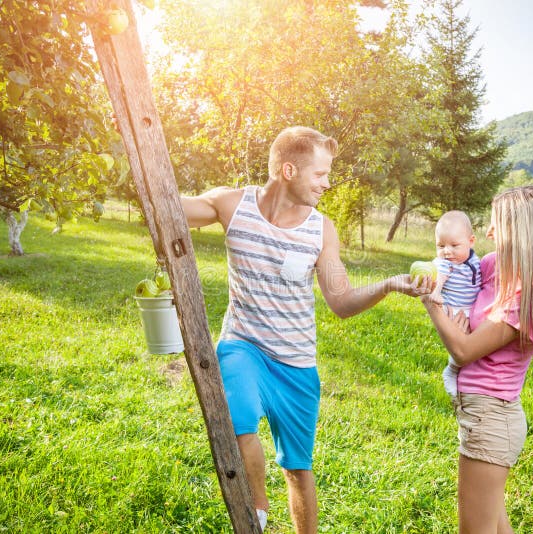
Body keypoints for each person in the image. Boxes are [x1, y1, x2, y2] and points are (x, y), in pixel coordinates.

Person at [180, 126, 424, 533]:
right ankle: (257, 506)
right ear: (289, 170)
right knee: (238, 424)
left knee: (298, 469)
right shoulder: (232, 205)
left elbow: (340, 301)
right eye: (320, 174)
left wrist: (389, 284)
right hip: (244, 345)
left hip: (296, 364)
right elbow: (168, 205)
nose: (327, 184)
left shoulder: (320, 230)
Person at [419, 186, 533, 533]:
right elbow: (455, 275)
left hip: (491, 418)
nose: (487, 233)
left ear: (521, 231)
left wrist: (431, 302)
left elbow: (464, 350)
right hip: (478, 412)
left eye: (497, 224)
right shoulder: (493, 266)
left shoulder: (526, 297)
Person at [426, 210, 481, 398]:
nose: (447, 251)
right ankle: (452, 370)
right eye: (440, 245)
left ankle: (464, 371)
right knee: (462, 340)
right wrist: (436, 293)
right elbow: (439, 277)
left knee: (474, 342)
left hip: (470, 308)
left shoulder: (474, 260)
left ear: (471, 242)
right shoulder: (445, 262)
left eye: (454, 245)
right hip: (454, 309)